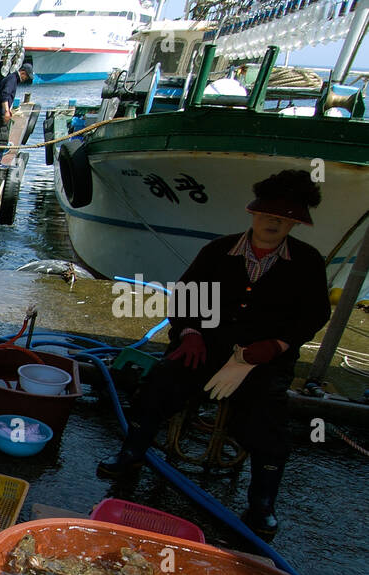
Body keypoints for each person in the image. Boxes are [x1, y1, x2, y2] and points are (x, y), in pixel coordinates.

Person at [96, 169, 331, 540]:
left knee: (267, 421)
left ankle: (261, 503)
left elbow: (314, 315)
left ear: (294, 224)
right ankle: (130, 456)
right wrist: (190, 334)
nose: (274, 223)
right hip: (205, 347)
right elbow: (186, 297)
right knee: (158, 385)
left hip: (262, 359)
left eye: (284, 219)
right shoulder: (218, 251)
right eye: (268, 215)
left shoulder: (307, 262)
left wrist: (277, 345)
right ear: (253, 214)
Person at [0, 62, 32, 146]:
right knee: (1, 140)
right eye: (26, 76)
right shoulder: (12, 79)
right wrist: (7, 111)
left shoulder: (11, 78)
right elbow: (5, 95)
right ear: (23, 72)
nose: (26, 79)